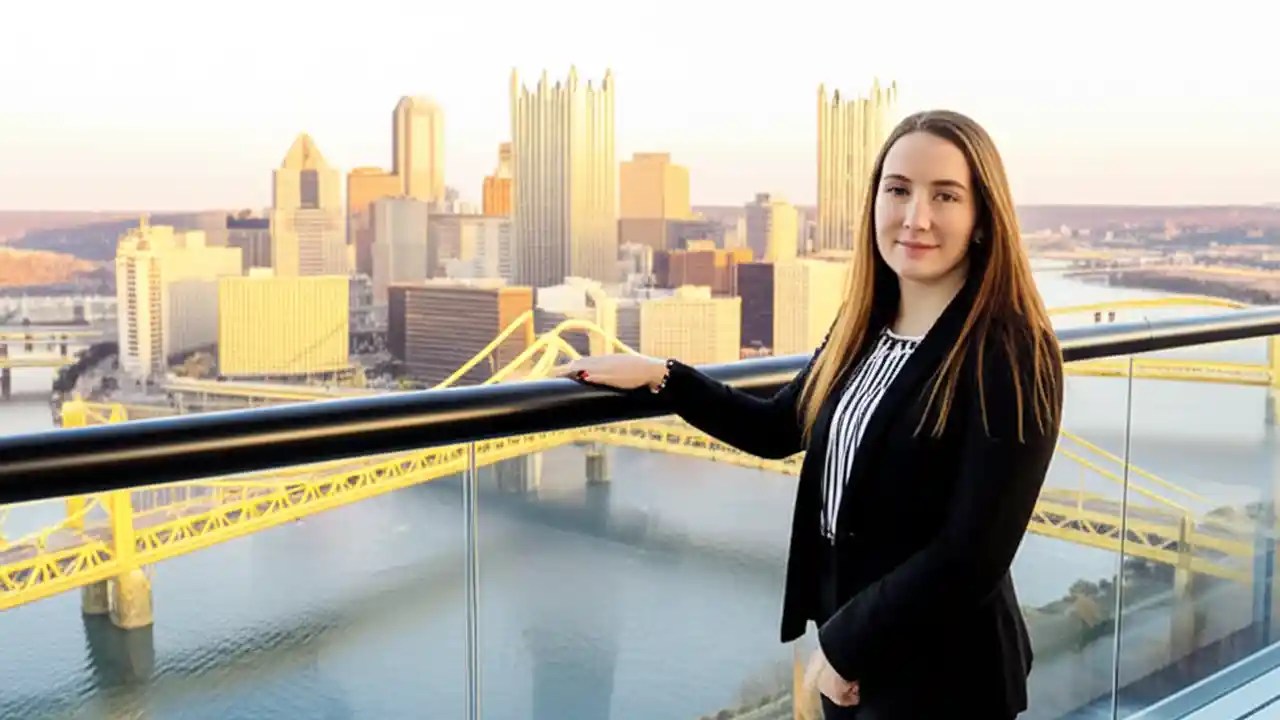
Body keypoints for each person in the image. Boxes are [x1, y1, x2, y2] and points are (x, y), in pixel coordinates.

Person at [556, 109, 1064, 719]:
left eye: (945, 196)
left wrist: (843, 644)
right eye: (898, 190)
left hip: (944, 677)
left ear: (983, 218)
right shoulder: (866, 324)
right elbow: (779, 427)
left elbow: (973, 553)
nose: (916, 217)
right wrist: (665, 379)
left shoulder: (1010, 348)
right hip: (856, 661)